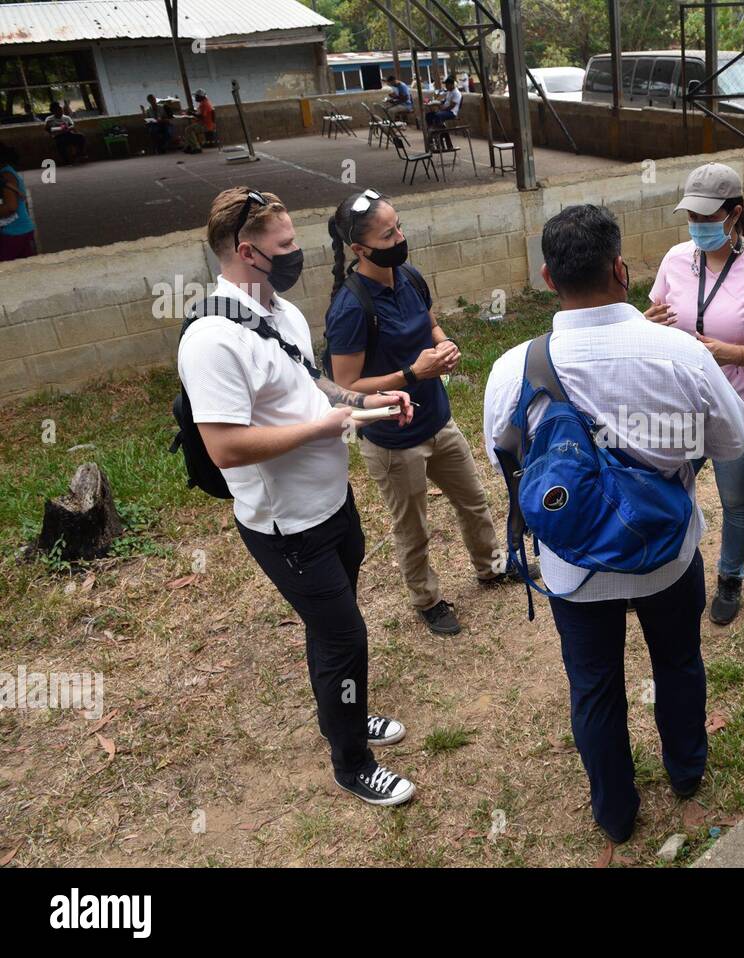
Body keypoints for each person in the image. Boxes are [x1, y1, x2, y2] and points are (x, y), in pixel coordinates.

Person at [483, 204, 744, 844]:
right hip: (666, 552)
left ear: (548, 278)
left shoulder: (514, 367)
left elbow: (506, 449)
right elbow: (733, 439)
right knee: (679, 663)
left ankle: (615, 813)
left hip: (575, 564)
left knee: (595, 688)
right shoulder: (681, 353)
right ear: (622, 269)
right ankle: (686, 772)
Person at [177, 186, 418, 807]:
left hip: (332, 503)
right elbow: (227, 447)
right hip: (287, 527)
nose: (298, 253)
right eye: (284, 246)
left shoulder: (277, 310)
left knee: (332, 631)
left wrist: (365, 403)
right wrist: (329, 426)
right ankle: (351, 761)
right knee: (344, 637)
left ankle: (346, 715)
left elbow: (308, 382)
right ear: (244, 250)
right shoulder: (210, 340)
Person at [325, 189, 530, 637]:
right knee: (412, 527)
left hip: (439, 421)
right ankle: (428, 600)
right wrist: (411, 373)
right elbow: (345, 388)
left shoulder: (409, 276)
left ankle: (492, 568)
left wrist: (443, 343)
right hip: (394, 439)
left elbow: (430, 322)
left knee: (474, 503)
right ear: (360, 250)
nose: (400, 237)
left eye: (399, 226)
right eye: (388, 233)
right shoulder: (350, 307)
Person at [646, 162, 744, 625]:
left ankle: (730, 575)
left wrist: (730, 352)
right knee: (666, 487)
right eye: (691, 217)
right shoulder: (676, 259)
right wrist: (646, 322)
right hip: (685, 409)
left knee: (735, 499)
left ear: (735, 214)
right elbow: (654, 311)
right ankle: (664, 570)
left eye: (707, 218)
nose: (697, 227)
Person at [0, 143, 37, 261]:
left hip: (12, 233)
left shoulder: (6, 175)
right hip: (22, 230)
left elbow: (11, 207)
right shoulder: (7, 173)